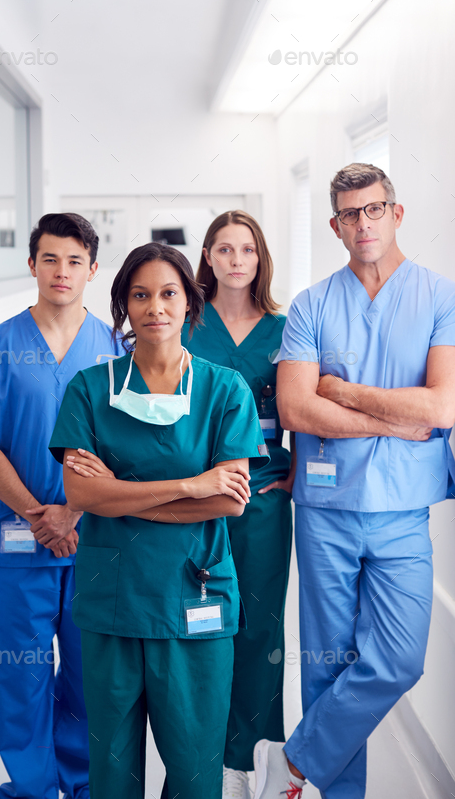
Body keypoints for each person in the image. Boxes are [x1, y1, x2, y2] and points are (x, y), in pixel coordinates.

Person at [253, 163, 455, 799]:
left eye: (374, 209)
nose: (363, 223)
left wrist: (343, 392)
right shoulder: (311, 305)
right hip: (326, 509)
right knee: (327, 663)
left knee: (399, 660)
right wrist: (395, 420)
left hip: (403, 511)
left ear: (396, 214)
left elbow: (442, 406)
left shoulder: (439, 297)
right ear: (335, 225)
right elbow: (296, 408)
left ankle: (292, 763)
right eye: (349, 214)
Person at [48, 241, 270, 799]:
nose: (155, 307)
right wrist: (189, 486)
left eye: (169, 293)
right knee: (112, 771)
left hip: (193, 600)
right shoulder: (89, 389)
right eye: (140, 295)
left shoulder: (225, 390)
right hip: (114, 603)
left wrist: (117, 493)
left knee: (196, 772)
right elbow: (80, 492)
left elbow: (230, 501)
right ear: (123, 304)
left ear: (190, 300)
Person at [0, 213, 122, 799]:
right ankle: (32, 788)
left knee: (89, 675)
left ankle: (82, 783)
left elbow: (129, 448)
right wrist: (37, 514)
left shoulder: (116, 349)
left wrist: (73, 512)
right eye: (50, 259)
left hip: (94, 539)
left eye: (74, 261)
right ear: (32, 265)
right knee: (22, 676)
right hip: (19, 542)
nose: (61, 271)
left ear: (93, 269)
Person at [181, 211, 295, 799]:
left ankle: (256, 755)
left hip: (264, 499)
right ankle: (213, 762)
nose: (235, 260)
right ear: (207, 256)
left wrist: (297, 471)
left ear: (260, 257)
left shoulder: (285, 330)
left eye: (246, 249)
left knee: (260, 628)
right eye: (224, 249)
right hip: (196, 498)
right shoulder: (185, 324)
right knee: (202, 624)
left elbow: (304, 406)